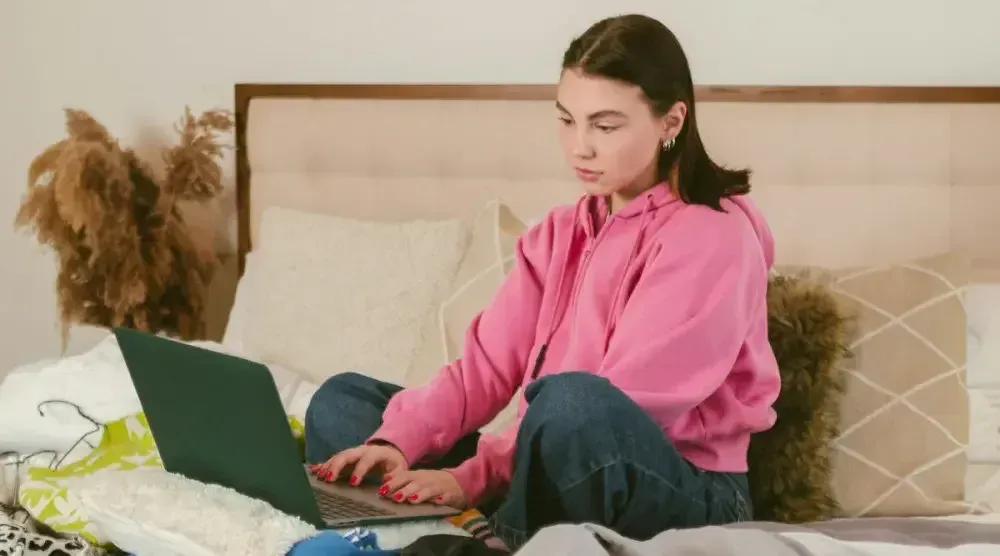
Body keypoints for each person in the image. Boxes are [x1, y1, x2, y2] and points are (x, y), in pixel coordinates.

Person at [305, 13, 781, 551]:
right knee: (342, 403)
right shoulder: (560, 231)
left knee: (570, 403)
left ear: (671, 122)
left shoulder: (712, 233)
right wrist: (398, 443)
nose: (580, 147)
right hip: (544, 461)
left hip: (687, 488)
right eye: (566, 120)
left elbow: (626, 404)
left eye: (605, 126)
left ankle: (473, 533)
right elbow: (484, 369)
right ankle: (472, 531)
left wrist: (471, 477)